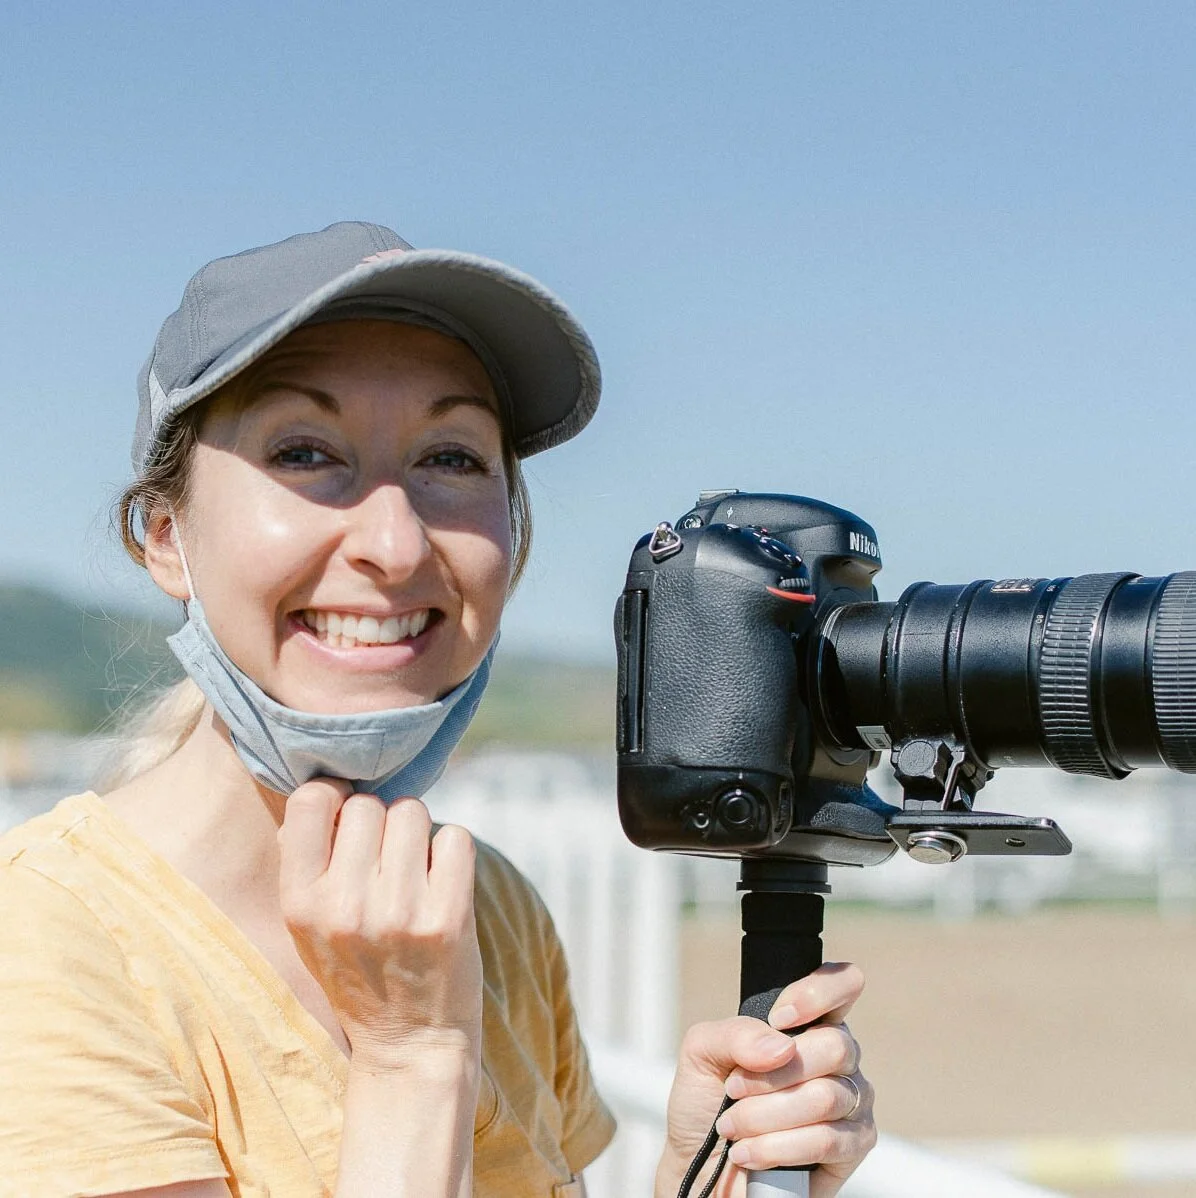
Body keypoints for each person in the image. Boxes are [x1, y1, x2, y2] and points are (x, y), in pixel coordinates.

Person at [0, 222, 876, 1197]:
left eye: (451, 460)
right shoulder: (43, 941)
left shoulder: (487, 907)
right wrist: (412, 1054)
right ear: (166, 538)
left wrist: (697, 1173)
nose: (393, 542)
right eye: (304, 451)